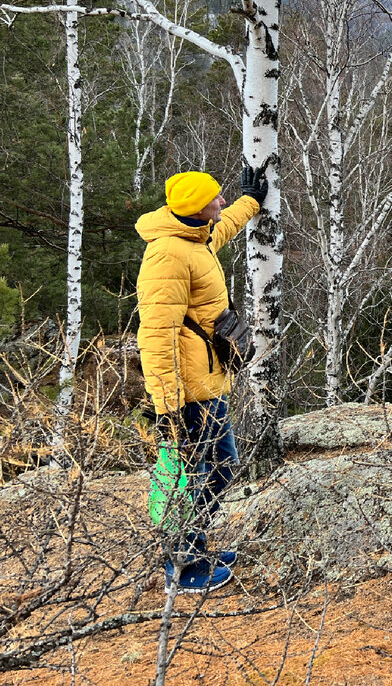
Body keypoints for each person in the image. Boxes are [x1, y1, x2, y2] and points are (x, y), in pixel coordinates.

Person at [136, 165, 268, 593]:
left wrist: (251, 201)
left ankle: (194, 545)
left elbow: (223, 228)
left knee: (221, 467)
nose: (221, 201)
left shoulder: (195, 237)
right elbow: (156, 335)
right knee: (193, 475)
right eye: (215, 198)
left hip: (209, 381)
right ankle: (183, 565)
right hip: (187, 392)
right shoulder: (167, 255)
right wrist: (167, 406)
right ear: (196, 208)